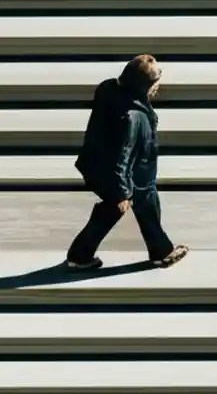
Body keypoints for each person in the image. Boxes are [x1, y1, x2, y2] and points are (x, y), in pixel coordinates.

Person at [65, 54, 188, 271]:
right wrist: (121, 192)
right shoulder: (133, 117)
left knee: (138, 209)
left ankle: (159, 251)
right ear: (146, 85)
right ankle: (80, 255)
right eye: (157, 80)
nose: (159, 84)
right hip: (129, 175)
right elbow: (121, 157)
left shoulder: (108, 88)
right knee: (122, 209)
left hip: (99, 165)